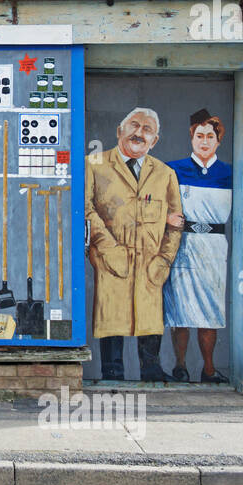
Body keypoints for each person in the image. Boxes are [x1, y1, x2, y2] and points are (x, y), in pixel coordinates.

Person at [85, 107, 184, 381]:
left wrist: (164, 260)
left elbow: (176, 222)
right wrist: (107, 249)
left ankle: (151, 370)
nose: (139, 133)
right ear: (120, 131)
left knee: (149, 317)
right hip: (111, 257)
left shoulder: (165, 173)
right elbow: (85, 210)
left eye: (147, 129)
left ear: (155, 140)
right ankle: (112, 372)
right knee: (112, 317)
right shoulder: (94, 163)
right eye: (134, 125)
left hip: (151, 260)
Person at [164, 109, 233, 383]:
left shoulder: (228, 172)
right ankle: (180, 365)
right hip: (182, 244)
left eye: (210, 136)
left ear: (218, 140)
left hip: (214, 247)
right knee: (179, 310)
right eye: (199, 135)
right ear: (192, 137)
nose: (204, 141)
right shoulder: (173, 169)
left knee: (210, 311)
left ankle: (208, 368)